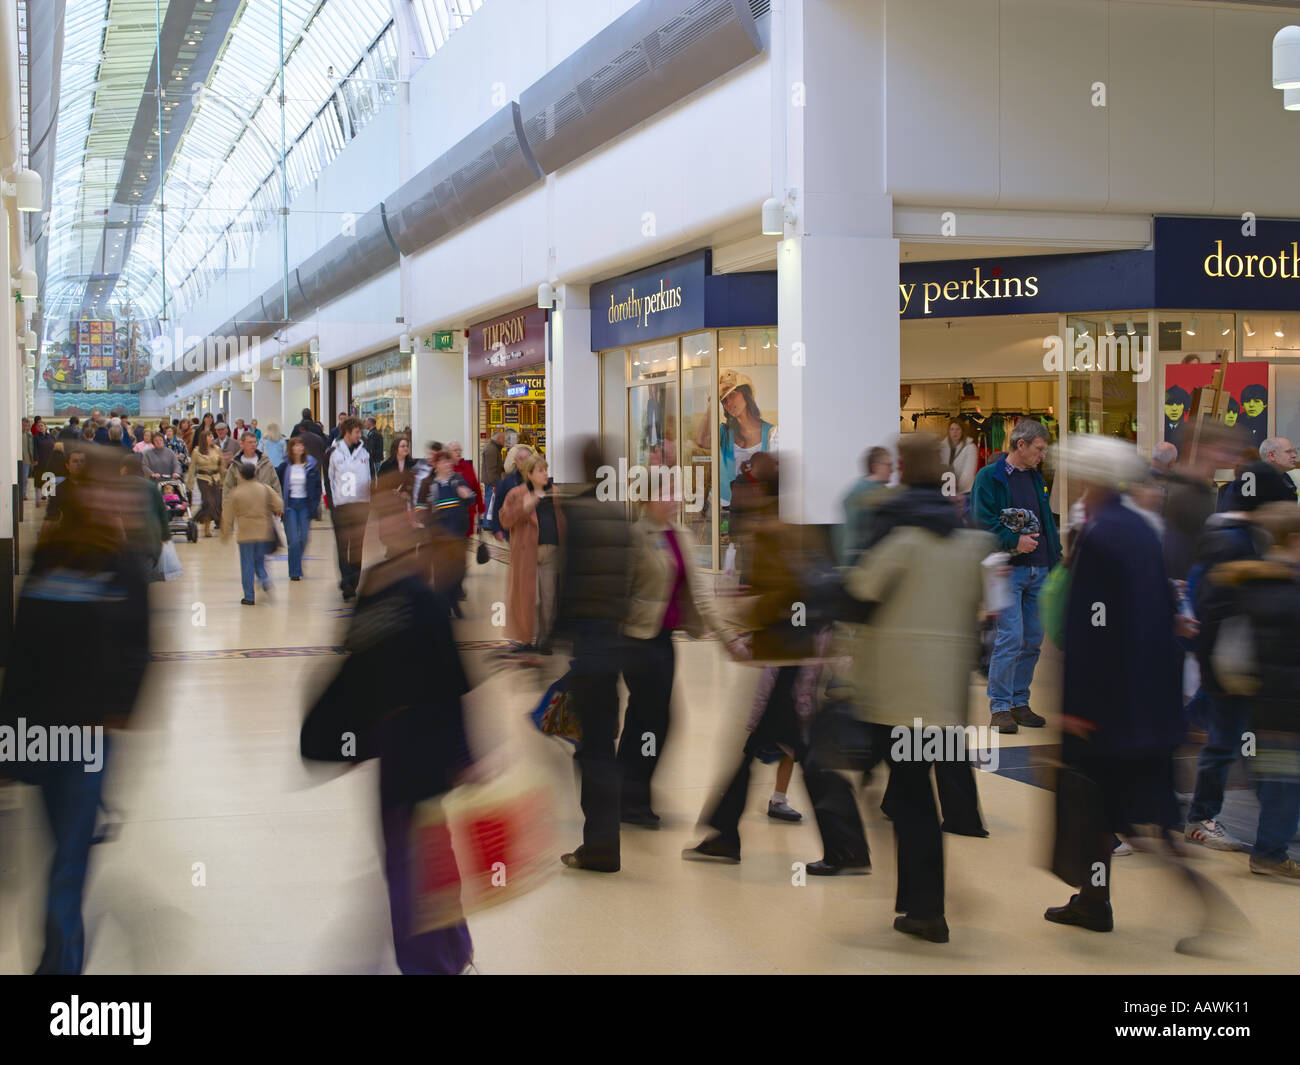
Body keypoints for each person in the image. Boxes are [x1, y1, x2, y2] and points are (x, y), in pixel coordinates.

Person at [299, 498, 477, 974]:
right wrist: (349, 738)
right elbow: (360, 673)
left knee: (414, 861)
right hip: (398, 745)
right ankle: (445, 951)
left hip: (417, 745)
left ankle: (435, 958)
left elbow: (448, 675)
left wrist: (465, 753)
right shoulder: (382, 587)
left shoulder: (416, 590)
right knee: (417, 856)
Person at [683, 452, 872, 876]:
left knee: (799, 753)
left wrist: (746, 615)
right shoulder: (797, 527)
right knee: (764, 749)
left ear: (757, 489)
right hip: (796, 656)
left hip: (788, 659)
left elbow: (783, 597)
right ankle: (726, 834)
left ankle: (843, 848)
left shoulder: (769, 531)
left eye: (746, 485)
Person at [0, 449, 150, 973]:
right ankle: (56, 960)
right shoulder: (53, 551)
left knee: (67, 863)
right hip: (40, 732)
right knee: (59, 857)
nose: (109, 499)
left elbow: (139, 651)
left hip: (88, 738)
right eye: (100, 488)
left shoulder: (125, 564)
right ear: (83, 493)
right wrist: (10, 737)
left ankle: (58, 970)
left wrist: (116, 714)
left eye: (118, 491)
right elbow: (24, 649)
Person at [839, 434, 992, 941]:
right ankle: (922, 903)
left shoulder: (903, 536)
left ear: (903, 467)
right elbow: (982, 608)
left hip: (898, 693)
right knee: (914, 793)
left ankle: (927, 909)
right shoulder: (970, 541)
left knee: (909, 799)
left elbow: (861, 589)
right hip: (946, 694)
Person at [1044, 436, 1197, 937]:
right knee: (1137, 818)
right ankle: (1094, 900)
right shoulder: (1138, 529)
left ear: (1091, 480)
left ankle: (1105, 901)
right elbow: (1162, 616)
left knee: (1101, 814)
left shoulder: (1101, 534)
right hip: (1148, 701)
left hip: (1109, 707)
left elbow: (1093, 630)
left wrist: (1077, 707)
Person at [620, 484, 746, 826]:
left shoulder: (682, 535)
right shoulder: (636, 535)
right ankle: (633, 796)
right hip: (637, 640)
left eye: (674, 492)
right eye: (664, 493)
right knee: (655, 719)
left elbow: (702, 596)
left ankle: (626, 791)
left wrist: (727, 637)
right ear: (646, 499)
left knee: (643, 719)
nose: (673, 499)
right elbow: (621, 591)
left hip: (664, 640)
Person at [1198, 502, 1300, 879]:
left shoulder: (1252, 581)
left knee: (1276, 776)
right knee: (1284, 781)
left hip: (1263, 701)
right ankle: (1271, 851)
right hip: (1286, 704)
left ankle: (1271, 845)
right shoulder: (1287, 588)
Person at [556, 437, 633, 873]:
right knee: (604, 743)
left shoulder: (581, 515)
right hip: (614, 645)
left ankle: (599, 844)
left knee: (590, 750)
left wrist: (553, 638)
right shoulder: (620, 515)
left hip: (588, 647)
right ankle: (607, 841)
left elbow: (569, 588)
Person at [970, 418, 1060, 734]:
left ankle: (1020, 701)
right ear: (1020, 445)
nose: (1042, 455)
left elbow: (1047, 520)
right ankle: (1000, 707)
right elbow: (982, 523)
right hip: (1008, 570)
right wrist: (1014, 542)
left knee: (1033, 639)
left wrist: (1056, 557)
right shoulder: (989, 478)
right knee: (1010, 637)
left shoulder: (1036, 478)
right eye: (1039, 448)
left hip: (1040, 568)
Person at [500, 455, 565, 653]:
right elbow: (505, 519)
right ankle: (526, 638)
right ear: (529, 474)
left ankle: (544, 639)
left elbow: (562, 519)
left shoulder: (554, 493)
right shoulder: (517, 494)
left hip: (551, 552)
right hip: (527, 552)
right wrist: (525, 506)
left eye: (546, 470)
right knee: (529, 598)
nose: (545, 474)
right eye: (540, 470)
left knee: (548, 598)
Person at [1161, 422, 1238, 582]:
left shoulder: (1195, 489)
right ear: (1199, 449)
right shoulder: (1184, 494)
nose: (1228, 458)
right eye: (1222, 450)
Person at [414, 449, 474, 611]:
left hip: (458, 534)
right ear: (436, 464)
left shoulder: (458, 480)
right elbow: (419, 507)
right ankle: (445, 604)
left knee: (459, 570)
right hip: (438, 536)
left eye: (449, 461)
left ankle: (453, 597)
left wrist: (467, 496)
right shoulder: (429, 483)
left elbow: (471, 498)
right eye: (444, 461)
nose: (448, 464)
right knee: (440, 571)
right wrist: (428, 520)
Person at [223, 461, 283, 605]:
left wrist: (225, 533)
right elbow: (279, 504)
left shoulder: (236, 492)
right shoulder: (265, 488)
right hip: (263, 532)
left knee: (247, 565)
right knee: (260, 563)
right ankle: (265, 581)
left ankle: (249, 597)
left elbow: (228, 515)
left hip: (245, 534)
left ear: (242, 475)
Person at [328, 417, 373, 601]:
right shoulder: (333, 453)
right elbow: (328, 479)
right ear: (347, 432)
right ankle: (346, 580)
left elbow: (371, 477)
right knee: (342, 545)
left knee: (357, 546)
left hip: (361, 505)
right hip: (341, 506)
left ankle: (353, 581)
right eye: (357, 432)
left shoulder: (365, 453)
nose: (359, 435)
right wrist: (331, 504)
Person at [837, 445, 895, 567]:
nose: (892, 470)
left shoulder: (855, 490)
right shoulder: (870, 495)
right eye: (889, 465)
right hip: (865, 563)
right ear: (876, 466)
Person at [277, 436, 321, 582]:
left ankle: (296, 560)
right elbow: (277, 485)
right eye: (295, 445)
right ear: (291, 448)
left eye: (301, 445)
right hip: (290, 505)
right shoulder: (284, 466)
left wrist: (314, 504)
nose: (299, 448)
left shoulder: (311, 465)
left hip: (304, 504)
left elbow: (316, 487)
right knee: (293, 540)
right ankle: (295, 571)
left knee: (303, 538)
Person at [221, 430, 281, 518]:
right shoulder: (235, 465)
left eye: (254, 442)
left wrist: (278, 506)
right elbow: (228, 487)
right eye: (249, 442)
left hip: (264, 509)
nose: (253, 445)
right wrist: (227, 508)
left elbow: (275, 484)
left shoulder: (266, 463)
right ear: (241, 444)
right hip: (243, 511)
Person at [377, 437, 417, 558]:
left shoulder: (412, 465)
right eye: (402, 446)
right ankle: (392, 548)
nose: (406, 448)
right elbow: (380, 486)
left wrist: (407, 492)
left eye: (407, 446)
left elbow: (416, 483)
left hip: (407, 503)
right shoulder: (386, 466)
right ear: (396, 449)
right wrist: (390, 491)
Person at [492, 444, 532, 543]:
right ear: (516, 461)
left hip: (534, 529)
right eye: (520, 458)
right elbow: (498, 504)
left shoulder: (539, 479)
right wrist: (497, 528)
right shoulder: (507, 481)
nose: (523, 461)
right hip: (514, 529)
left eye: (526, 458)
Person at [189, 429, 224, 537]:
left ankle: (200, 519)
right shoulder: (196, 451)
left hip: (216, 478)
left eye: (212, 436)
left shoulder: (217, 449)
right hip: (203, 478)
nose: (212, 438)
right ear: (204, 439)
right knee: (208, 501)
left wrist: (223, 479)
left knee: (215, 503)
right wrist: (188, 485)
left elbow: (221, 465)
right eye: (210, 437)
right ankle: (206, 528)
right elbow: (192, 468)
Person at [449, 441, 483, 537]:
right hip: (453, 515)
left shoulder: (467, 466)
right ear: (448, 453)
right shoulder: (447, 468)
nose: (458, 452)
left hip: (468, 514)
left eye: (460, 450)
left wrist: (480, 509)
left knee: (465, 542)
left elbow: (477, 488)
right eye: (455, 450)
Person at [939, 418, 978, 497]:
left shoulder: (970, 448)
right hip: (946, 491)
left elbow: (968, 474)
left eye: (957, 429)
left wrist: (955, 490)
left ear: (962, 431)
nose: (955, 432)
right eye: (952, 429)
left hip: (964, 492)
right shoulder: (943, 447)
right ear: (949, 431)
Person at [479, 430, 506, 532]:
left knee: (491, 502)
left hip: (492, 481)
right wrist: (495, 484)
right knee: (490, 501)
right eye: (503, 438)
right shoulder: (492, 450)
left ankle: (489, 522)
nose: (504, 441)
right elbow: (491, 469)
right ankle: (487, 523)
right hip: (492, 482)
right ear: (498, 439)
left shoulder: (494, 449)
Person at [1259, 437, 1298, 501]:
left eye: (1294, 451)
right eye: (1288, 451)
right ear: (1272, 455)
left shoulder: (1285, 477)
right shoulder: (1257, 480)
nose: (1294, 455)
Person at [1239, 383, 1269, 448]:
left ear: (1265, 404)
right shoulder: (1238, 420)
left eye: (1256, 401)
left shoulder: (1269, 421)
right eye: (1247, 401)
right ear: (1242, 405)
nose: (1251, 405)